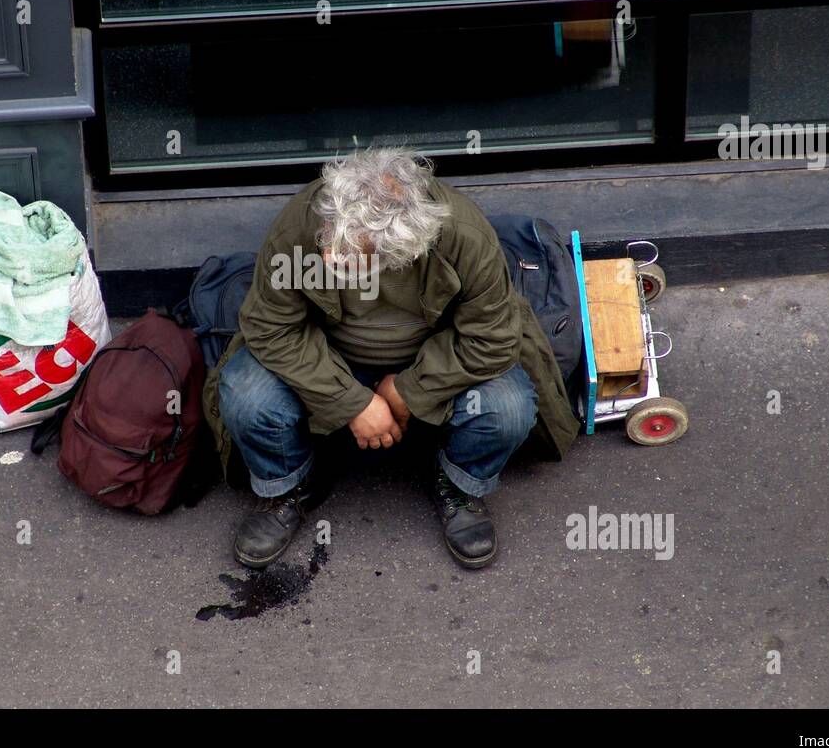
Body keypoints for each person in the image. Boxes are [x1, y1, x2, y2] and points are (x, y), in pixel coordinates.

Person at [201, 148, 579, 569]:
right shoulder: (305, 221)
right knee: (246, 393)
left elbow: (490, 340)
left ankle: (457, 484)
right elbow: (271, 328)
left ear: (402, 250)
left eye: (349, 256)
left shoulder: (463, 236)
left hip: (431, 361)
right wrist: (352, 401)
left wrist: (406, 391)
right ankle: (288, 486)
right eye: (331, 240)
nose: (328, 258)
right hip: (329, 357)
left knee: (507, 407)